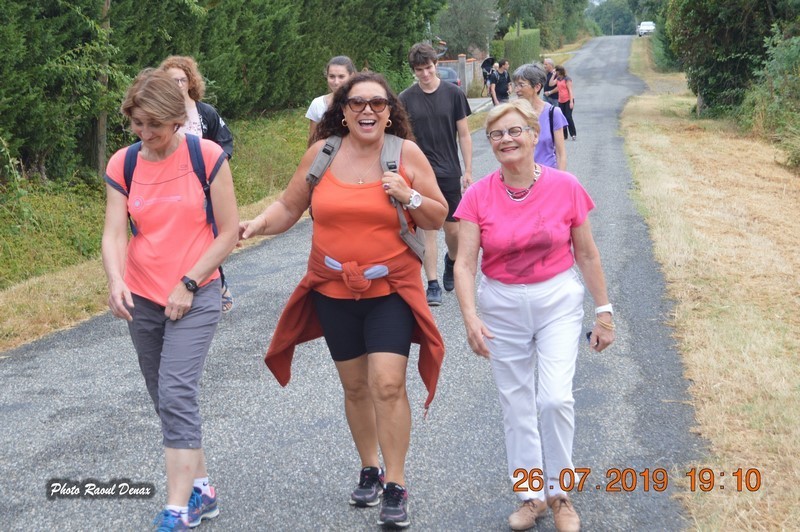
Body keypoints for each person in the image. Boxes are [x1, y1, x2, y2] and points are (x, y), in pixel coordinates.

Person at [239, 72, 448, 529]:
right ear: (343, 111)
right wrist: (255, 225)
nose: (367, 111)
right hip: (333, 290)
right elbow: (289, 208)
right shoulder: (323, 154)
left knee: (387, 384)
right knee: (355, 387)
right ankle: (369, 468)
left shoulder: (403, 154)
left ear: (390, 110)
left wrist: (407, 194)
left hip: (389, 290)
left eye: (376, 103)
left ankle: (396, 483)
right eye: (357, 104)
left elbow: (437, 214)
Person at [453, 100, 615, 532]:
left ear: (532, 134)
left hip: (556, 300)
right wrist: (470, 317)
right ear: (491, 143)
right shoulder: (478, 194)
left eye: (514, 131)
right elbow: (464, 264)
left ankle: (562, 494)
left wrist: (604, 313)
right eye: (496, 135)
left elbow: (586, 252)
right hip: (501, 305)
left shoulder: (565, 186)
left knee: (555, 398)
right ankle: (532, 496)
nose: (506, 140)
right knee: (517, 405)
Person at [102, 69, 239, 531]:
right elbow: (114, 231)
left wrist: (190, 281)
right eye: (137, 124)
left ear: (176, 118)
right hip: (142, 295)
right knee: (165, 397)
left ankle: (177, 510)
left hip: (195, 291)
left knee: (177, 391)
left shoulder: (207, 156)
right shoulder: (124, 163)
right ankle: (203, 491)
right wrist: (116, 279)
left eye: (153, 125)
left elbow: (228, 233)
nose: (145, 134)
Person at [158, 55, 236, 312]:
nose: (178, 85)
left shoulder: (205, 112)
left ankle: (218, 283)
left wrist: (215, 171)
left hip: (205, 187)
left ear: (190, 81)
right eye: (171, 81)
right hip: (172, 188)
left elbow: (225, 142)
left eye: (181, 80)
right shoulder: (161, 114)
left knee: (211, 236)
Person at [399, 42, 473, 306]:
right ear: (414, 71)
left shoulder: (453, 94)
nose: (425, 74)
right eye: (419, 70)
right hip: (420, 174)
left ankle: (450, 261)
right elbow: (401, 138)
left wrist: (468, 170)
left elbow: (464, 134)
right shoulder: (405, 99)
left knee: (453, 231)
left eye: (428, 68)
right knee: (428, 228)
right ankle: (432, 284)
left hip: (449, 171)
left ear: (436, 65)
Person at [513, 63, 568, 170]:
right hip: (521, 177)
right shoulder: (514, 113)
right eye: (515, 85)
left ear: (537, 87)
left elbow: (561, 154)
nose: (516, 90)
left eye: (521, 85)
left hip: (548, 177)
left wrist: (561, 181)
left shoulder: (553, 113)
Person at [305, 55, 356, 145]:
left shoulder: (361, 104)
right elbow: (313, 140)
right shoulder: (318, 104)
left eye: (341, 77)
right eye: (332, 76)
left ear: (351, 76)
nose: (336, 82)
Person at [554, 65, 577, 140]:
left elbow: (570, 91)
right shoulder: (558, 79)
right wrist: (553, 75)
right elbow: (551, 84)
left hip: (568, 100)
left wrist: (571, 102)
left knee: (568, 117)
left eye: (556, 71)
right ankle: (564, 135)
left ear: (559, 71)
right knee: (562, 117)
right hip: (561, 100)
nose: (555, 72)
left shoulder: (567, 79)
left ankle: (573, 134)